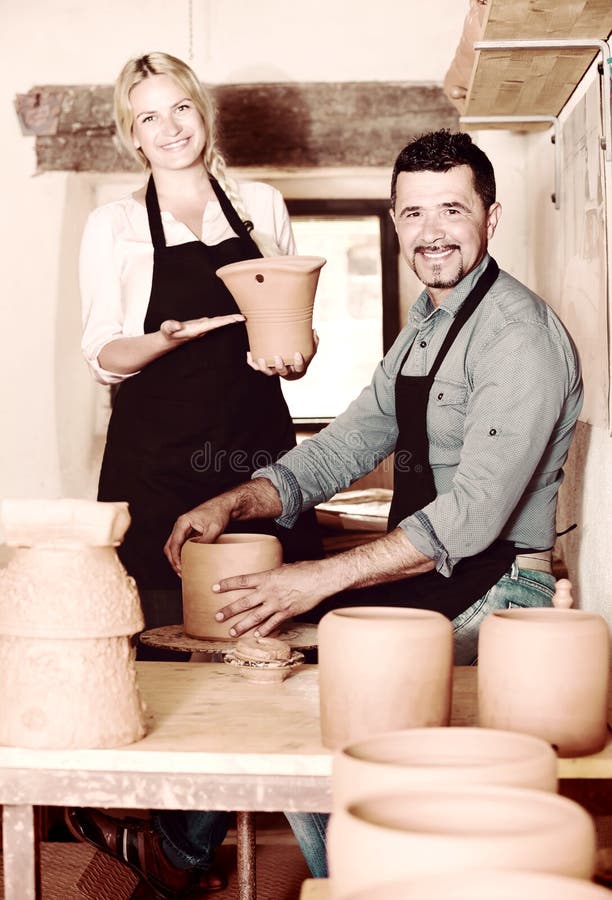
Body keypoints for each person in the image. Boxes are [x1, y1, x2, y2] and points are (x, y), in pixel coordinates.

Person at [160, 129, 584, 877]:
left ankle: (362, 883)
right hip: (433, 576)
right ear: (395, 225)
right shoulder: (424, 326)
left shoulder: (517, 334)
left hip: (505, 586)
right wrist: (239, 500)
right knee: (271, 682)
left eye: (452, 210)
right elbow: (347, 443)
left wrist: (317, 577)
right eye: (414, 214)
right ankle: (204, 857)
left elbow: (472, 517)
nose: (432, 233)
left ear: (491, 217)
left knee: (325, 704)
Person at [69, 50, 323, 896]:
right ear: (129, 135)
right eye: (148, 116)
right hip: (155, 462)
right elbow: (102, 353)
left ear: (203, 115)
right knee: (173, 657)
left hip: (252, 455)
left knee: (267, 645)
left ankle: (174, 852)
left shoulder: (260, 205)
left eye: (181, 108)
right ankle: (180, 841)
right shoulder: (112, 224)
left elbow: (288, 331)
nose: (170, 127)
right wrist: (169, 337)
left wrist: (295, 356)